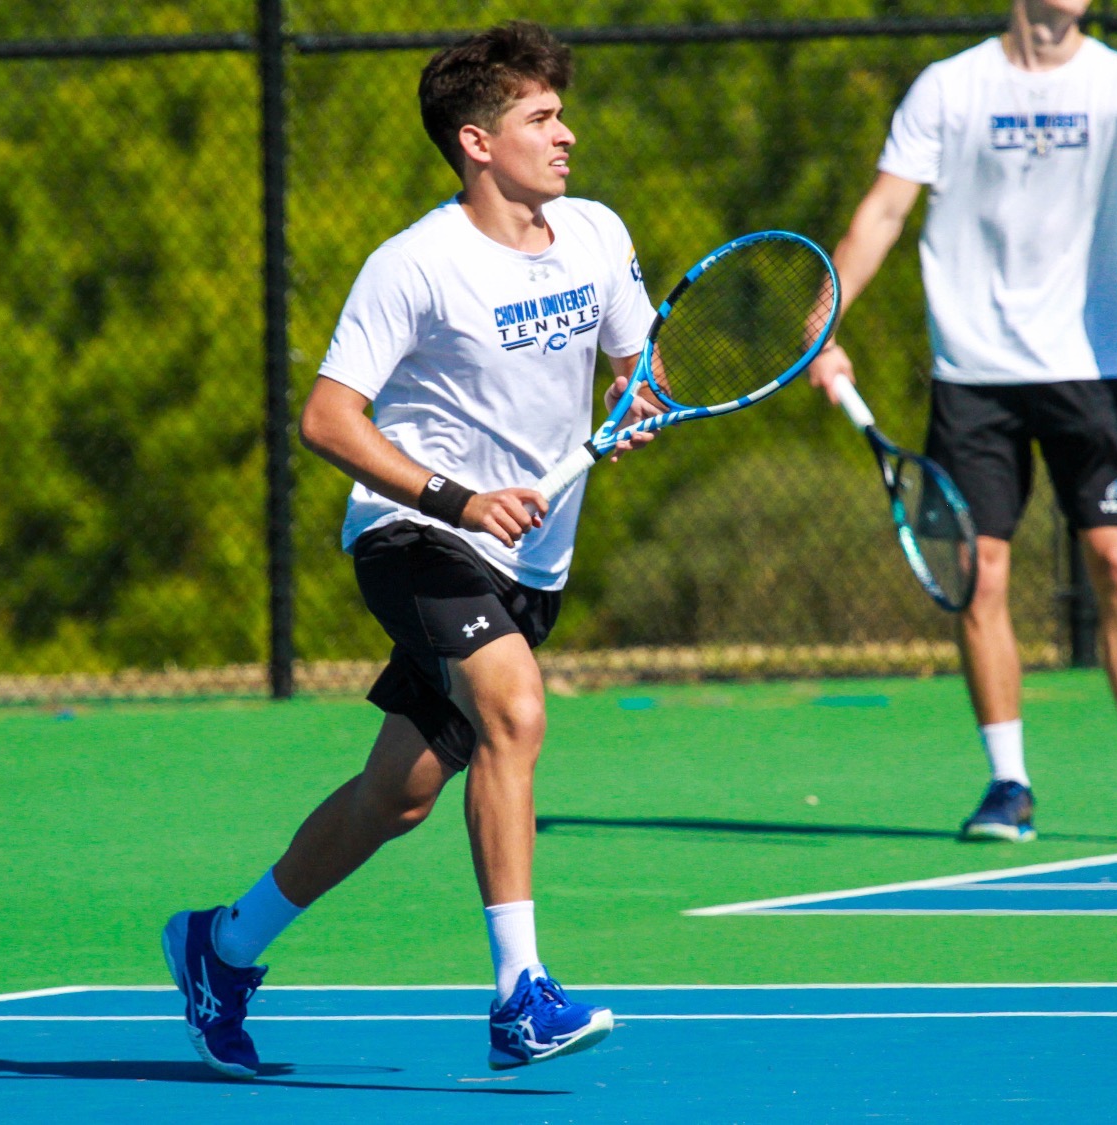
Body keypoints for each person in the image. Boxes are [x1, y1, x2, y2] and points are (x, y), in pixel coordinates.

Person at [162, 21, 658, 1076]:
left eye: (560, 112)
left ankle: (223, 945)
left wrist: (634, 399)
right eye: (540, 117)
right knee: (515, 710)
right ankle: (521, 996)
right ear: (477, 142)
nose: (565, 133)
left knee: (403, 792)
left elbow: (634, 363)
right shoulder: (416, 265)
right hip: (415, 533)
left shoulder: (597, 236)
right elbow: (329, 419)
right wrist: (459, 497)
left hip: (533, 557)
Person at [809, 0, 1117, 843]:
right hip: (974, 375)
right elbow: (880, 212)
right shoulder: (948, 88)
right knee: (981, 575)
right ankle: (1008, 783)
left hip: (1087, 369)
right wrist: (825, 314)